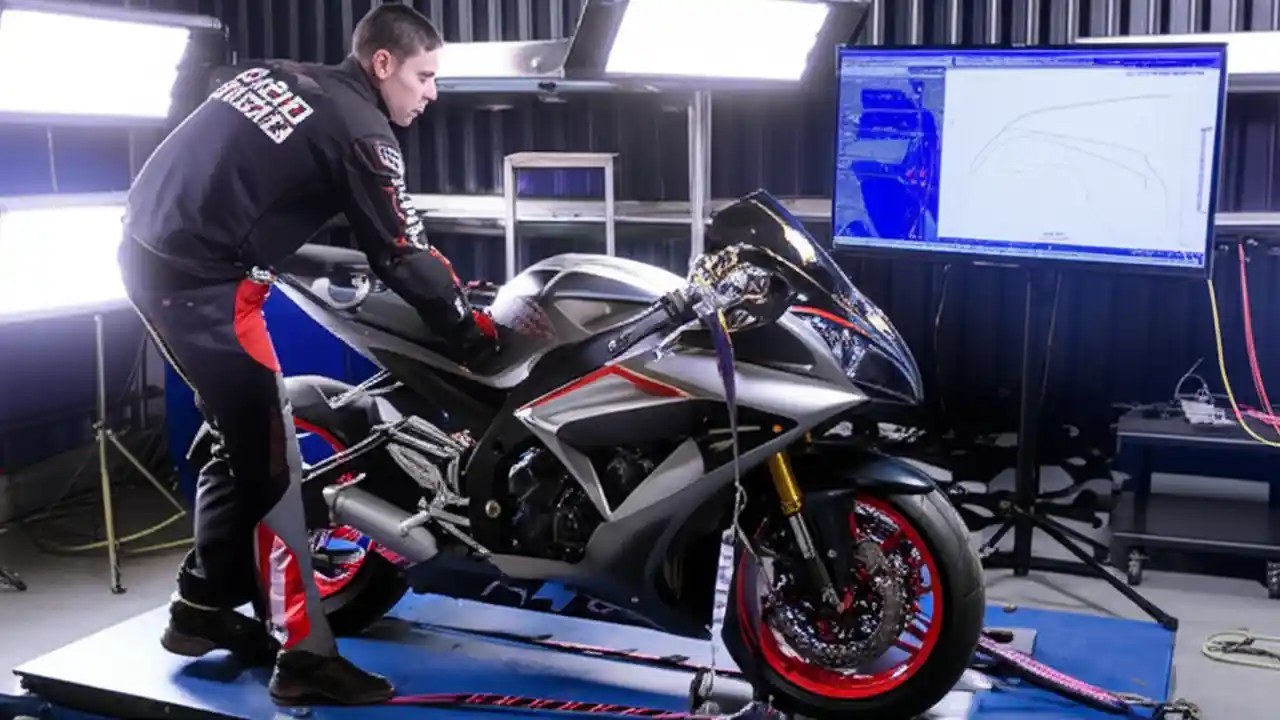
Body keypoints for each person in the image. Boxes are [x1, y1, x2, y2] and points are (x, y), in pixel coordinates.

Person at [116, 4, 496, 706]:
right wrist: (472, 336)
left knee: (244, 439)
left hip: (150, 249)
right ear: (382, 64)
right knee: (272, 467)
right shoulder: (362, 131)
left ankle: (200, 608)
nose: (431, 93)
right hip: (201, 286)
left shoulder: (278, 74)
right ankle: (304, 658)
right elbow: (402, 254)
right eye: (424, 76)